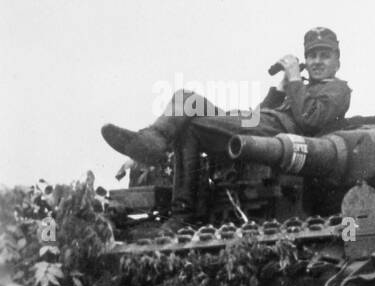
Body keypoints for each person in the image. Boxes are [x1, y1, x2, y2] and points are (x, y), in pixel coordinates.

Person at [101, 27, 352, 223]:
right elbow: (261, 114)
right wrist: (281, 87)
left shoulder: (338, 89)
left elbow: (311, 120)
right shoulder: (299, 89)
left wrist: (296, 78)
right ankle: (152, 142)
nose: (317, 61)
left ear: (337, 62)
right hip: (261, 124)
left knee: (192, 127)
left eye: (324, 55)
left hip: (285, 136)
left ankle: (182, 212)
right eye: (312, 55)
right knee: (186, 98)